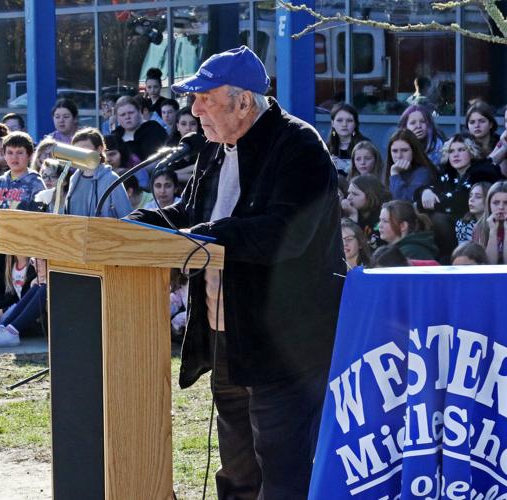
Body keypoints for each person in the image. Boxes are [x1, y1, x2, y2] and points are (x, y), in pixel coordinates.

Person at [127, 46, 343, 498]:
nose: (194, 110)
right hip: (226, 335)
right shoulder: (215, 148)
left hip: (284, 340)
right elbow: (191, 214)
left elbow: (285, 234)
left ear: (244, 102)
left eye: (205, 98)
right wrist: (134, 225)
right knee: (238, 466)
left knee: (282, 470)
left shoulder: (298, 146)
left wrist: (201, 235)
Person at [415, 134, 502, 261]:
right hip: (460, 220)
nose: (455, 155)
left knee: (438, 218)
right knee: (424, 214)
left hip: (483, 222)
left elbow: (460, 201)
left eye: (461, 150)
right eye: (451, 151)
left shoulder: (483, 171)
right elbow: (423, 192)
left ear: (472, 152)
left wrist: (431, 202)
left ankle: (450, 258)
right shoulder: (448, 172)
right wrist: (426, 192)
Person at [64, 128, 132, 218]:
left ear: (99, 149)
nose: (80, 154)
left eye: (84, 149)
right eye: (76, 150)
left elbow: (126, 216)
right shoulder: (74, 179)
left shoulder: (111, 179)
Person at [0, 131, 45, 212]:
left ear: (29, 155)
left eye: (19, 153)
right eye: (10, 153)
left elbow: (41, 216)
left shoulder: (36, 183)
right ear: (4, 155)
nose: (14, 157)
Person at [112, 95, 168, 165]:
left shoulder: (153, 128)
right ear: (117, 118)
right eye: (123, 115)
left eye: (131, 113)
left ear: (139, 112)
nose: (127, 117)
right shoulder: (115, 136)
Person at [341, 174, 390, 251]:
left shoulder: (382, 219)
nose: (349, 197)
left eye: (355, 194)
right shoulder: (347, 212)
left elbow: (368, 249)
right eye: (349, 193)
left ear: (371, 196)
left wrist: (353, 216)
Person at [386, 128, 436, 202]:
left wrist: (395, 173)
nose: (399, 156)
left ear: (414, 151)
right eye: (394, 151)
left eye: (404, 150)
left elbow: (403, 202)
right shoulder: (386, 171)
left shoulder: (424, 172)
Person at [327, 102, 367, 176]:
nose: (344, 124)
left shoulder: (365, 145)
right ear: (332, 123)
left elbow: (369, 174)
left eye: (349, 121)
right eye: (339, 120)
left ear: (355, 124)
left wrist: (344, 166)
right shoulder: (326, 147)